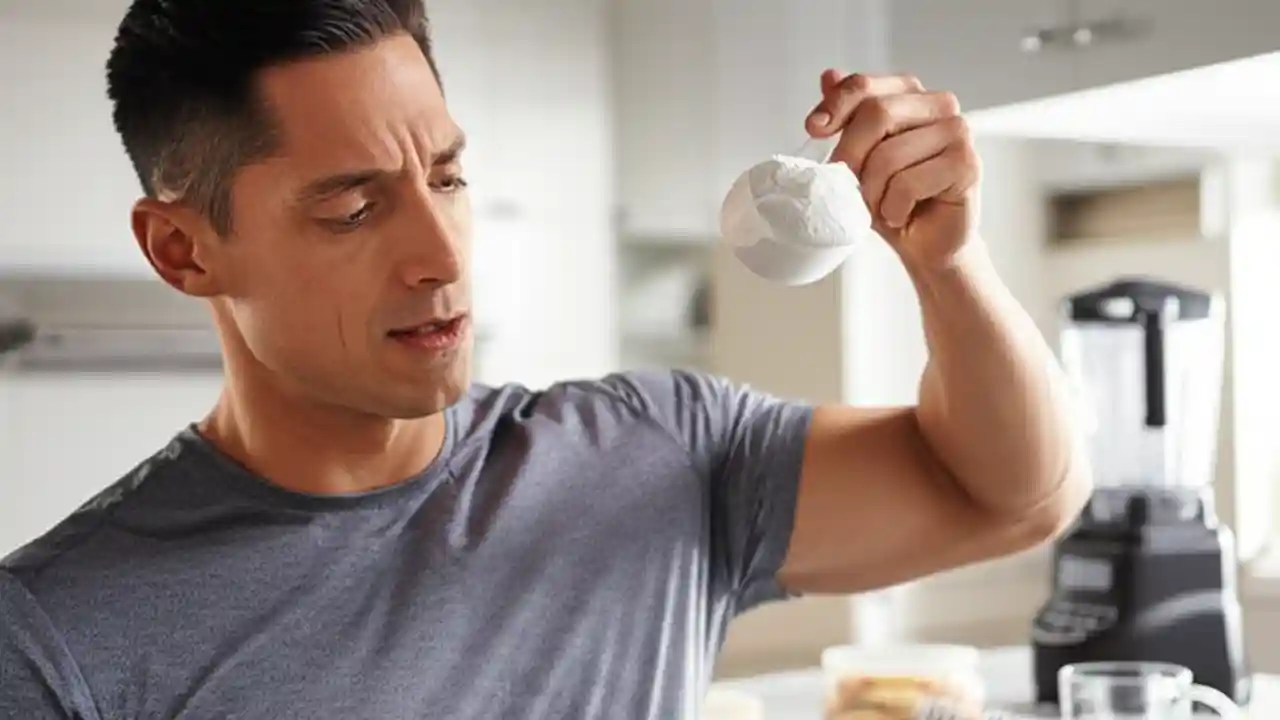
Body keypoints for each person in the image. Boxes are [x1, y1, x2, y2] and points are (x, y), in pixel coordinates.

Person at [0, 1, 1092, 718]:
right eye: (350, 209)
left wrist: (947, 263)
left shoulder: (655, 456)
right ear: (184, 250)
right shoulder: (58, 639)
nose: (439, 255)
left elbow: (1008, 495)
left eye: (446, 176)